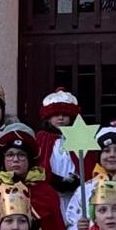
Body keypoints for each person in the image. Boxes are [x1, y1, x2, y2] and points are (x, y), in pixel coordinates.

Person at [34, 88, 82, 219]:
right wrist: (55, 180)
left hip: (76, 195)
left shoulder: (78, 137)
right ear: (48, 117)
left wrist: (77, 180)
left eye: (64, 115)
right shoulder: (42, 138)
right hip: (52, 194)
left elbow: (86, 163)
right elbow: (39, 165)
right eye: (56, 115)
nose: (60, 118)